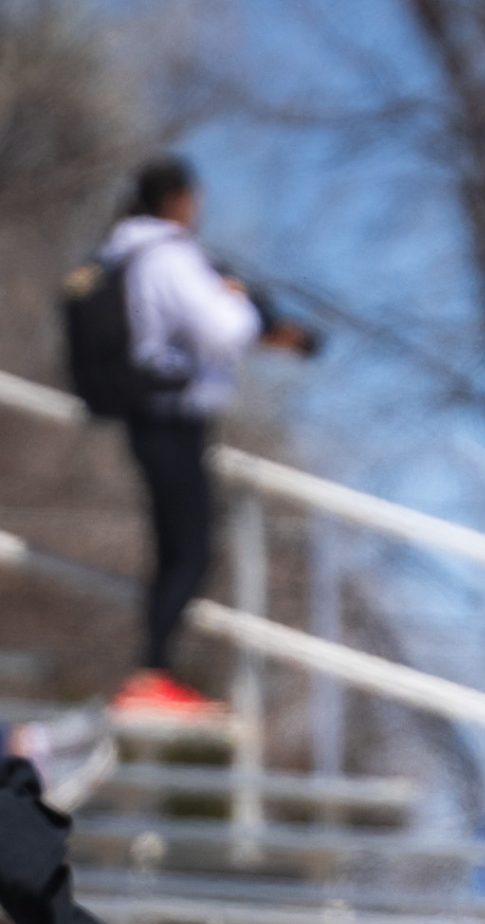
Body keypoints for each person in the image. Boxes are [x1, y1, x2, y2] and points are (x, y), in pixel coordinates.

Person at [95, 156, 315, 717]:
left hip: (155, 412)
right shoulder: (167, 255)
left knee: (177, 549)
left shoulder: (127, 252)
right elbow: (219, 329)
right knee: (190, 551)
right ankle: (149, 677)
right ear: (178, 200)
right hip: (171, 415)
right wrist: (241, 302)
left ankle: (152, 674)